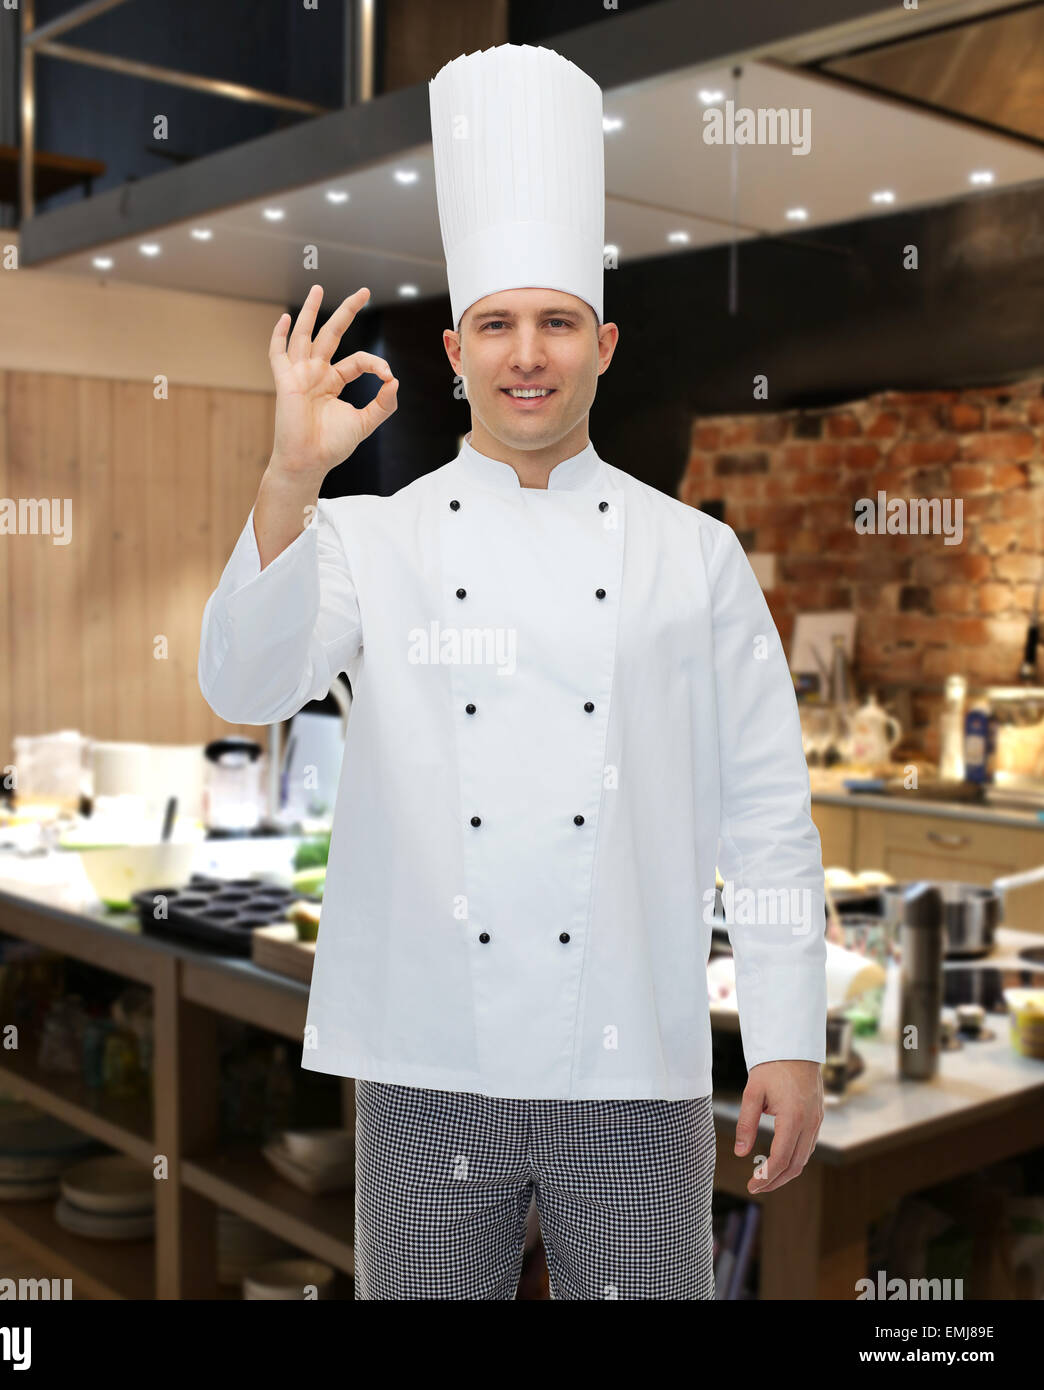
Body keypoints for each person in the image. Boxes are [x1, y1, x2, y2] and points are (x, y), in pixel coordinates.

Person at [198, 43, 826, 1300]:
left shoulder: (695, 554)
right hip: (429, 1056)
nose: (524, 354)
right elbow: (242, 683)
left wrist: (788, 1034)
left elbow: (765, 812)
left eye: (553, 323)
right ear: (454, 348)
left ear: (602, 343)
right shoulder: (367, 538)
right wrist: (290, 476)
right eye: (496, 324)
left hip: (633, 1067)